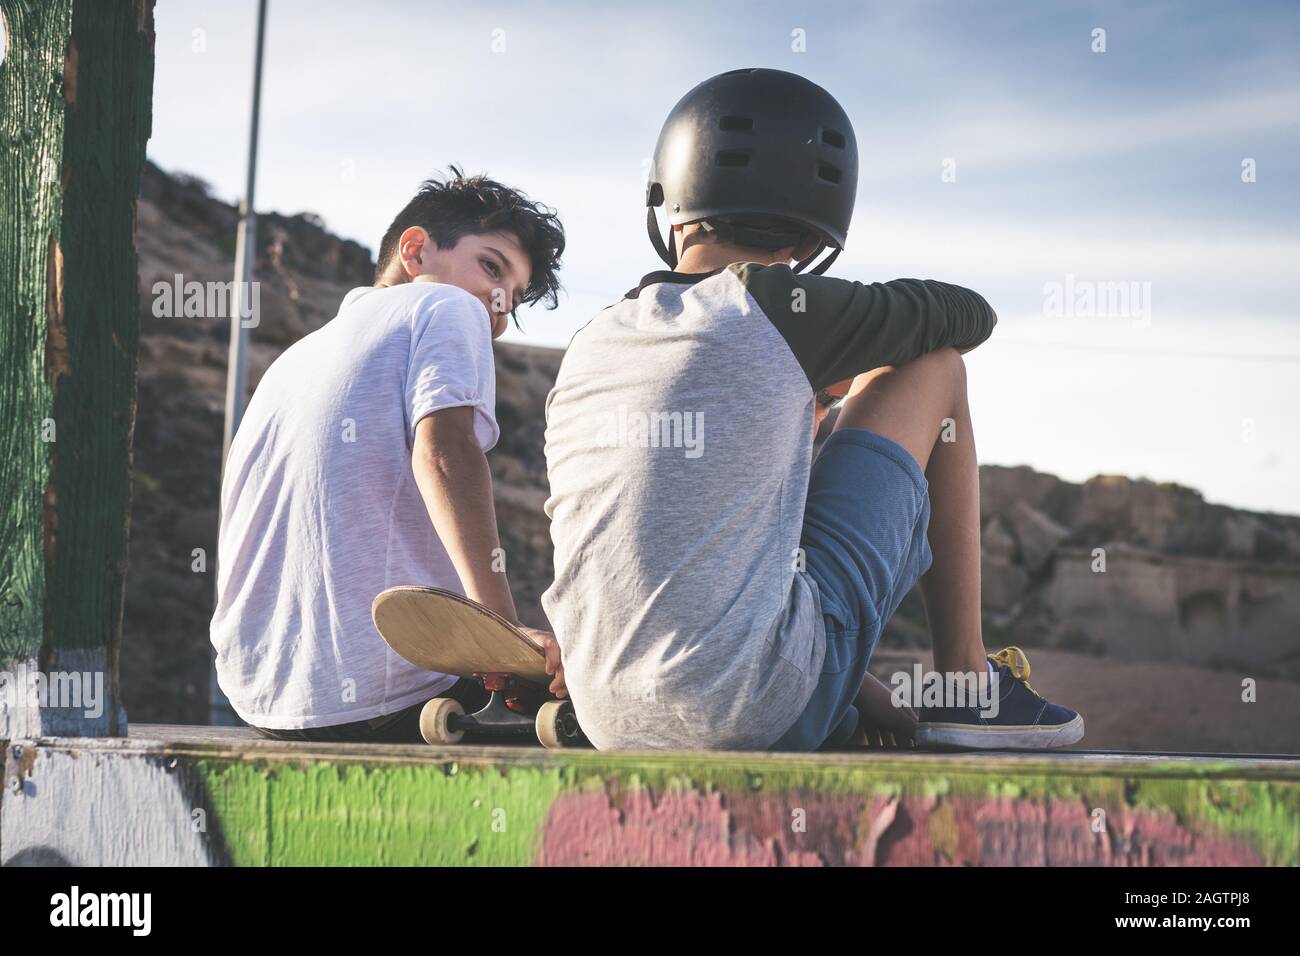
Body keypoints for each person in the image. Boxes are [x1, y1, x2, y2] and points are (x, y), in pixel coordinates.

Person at [541, 68, 1084, 751]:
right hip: (755, 714)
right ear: (808, 243)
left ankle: (837, 697)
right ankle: (966, 688)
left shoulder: (594, 343)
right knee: (935, 365)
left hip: (610, 720)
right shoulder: (772, 303)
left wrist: (854, 686)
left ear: (668, 204)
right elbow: (969, 315)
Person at [210, 168, 567, 742]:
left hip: (259, 698)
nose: (497, 307)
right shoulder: (447, 307)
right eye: (492, 268)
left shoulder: (290, 360)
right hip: (381, 691)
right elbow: (446, 453)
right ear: (416, 249)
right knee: (577, 689)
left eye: (513, 302)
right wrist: (501, 633)